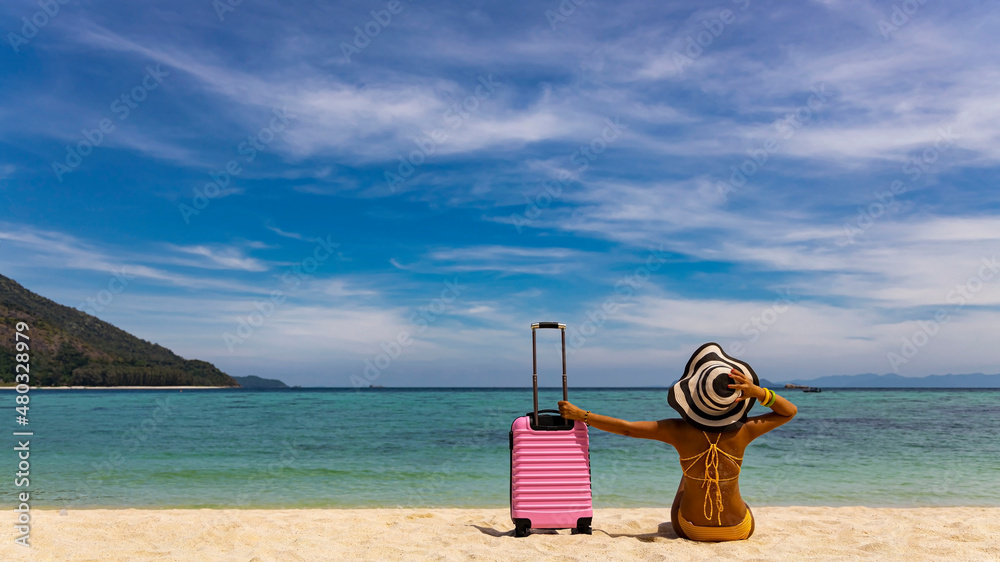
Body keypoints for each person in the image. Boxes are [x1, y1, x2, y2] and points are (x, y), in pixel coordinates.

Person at [557, 342, 797, 542]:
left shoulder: (677, 429)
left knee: (687, 476)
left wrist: (582, 415)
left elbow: (627, 429)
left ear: (693, 396)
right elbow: (789, 412)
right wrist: (760, 392)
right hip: (738, 530)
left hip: (691, 530)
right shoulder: (746, 430)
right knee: (739, 500)